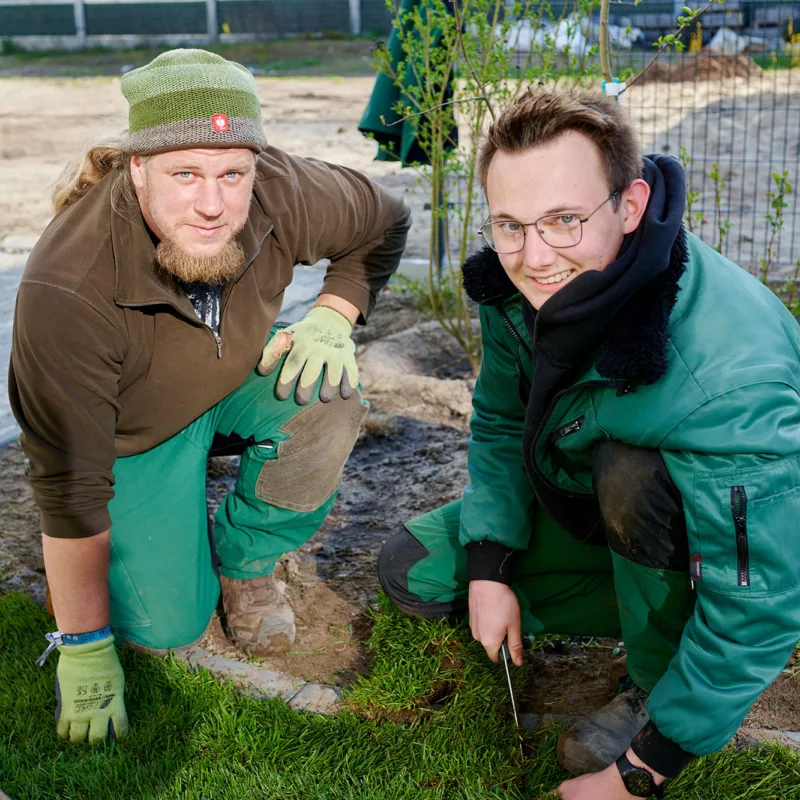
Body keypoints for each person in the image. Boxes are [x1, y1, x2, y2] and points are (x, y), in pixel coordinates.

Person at [378, 87, 800, 799]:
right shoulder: (521, 288)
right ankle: (646, 603)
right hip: (596, 510)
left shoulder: (728, 376)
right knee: (413, 571)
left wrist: (640, 775)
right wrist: (489, 561)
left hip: (743, 546)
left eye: (564, 221)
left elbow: (759, 607)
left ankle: (657, 681)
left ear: (630, 207)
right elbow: (504, 423)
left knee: (632, 470)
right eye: (509, 225)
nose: (534, 257)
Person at [10, 48, 410, 744]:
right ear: (136, 167)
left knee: (331, 394)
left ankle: (248, 565)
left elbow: (386, 219)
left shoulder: (283, 190)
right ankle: (151, 563)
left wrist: (332, 315)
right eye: (184, 173)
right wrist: (83, 646)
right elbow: (70, 490)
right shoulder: (66, 289)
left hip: (230, 382)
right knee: (165, 630)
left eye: (234, 173)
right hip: (133, 436)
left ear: (258, 164)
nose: (213, 202)